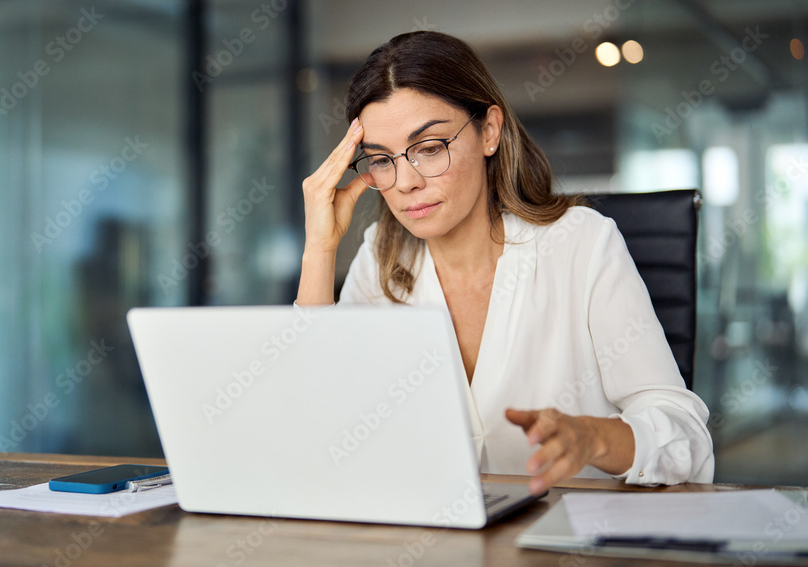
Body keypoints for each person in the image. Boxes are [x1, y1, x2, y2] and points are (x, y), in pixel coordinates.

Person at [297, 31, 713, 495]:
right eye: (380, 159)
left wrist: (593, 437)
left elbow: (686, 434)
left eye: (430, 147)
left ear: (489, 131)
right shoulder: (381, 257)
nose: (406, 182)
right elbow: (320, 432)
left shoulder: (582, 244)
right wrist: (319, 250)